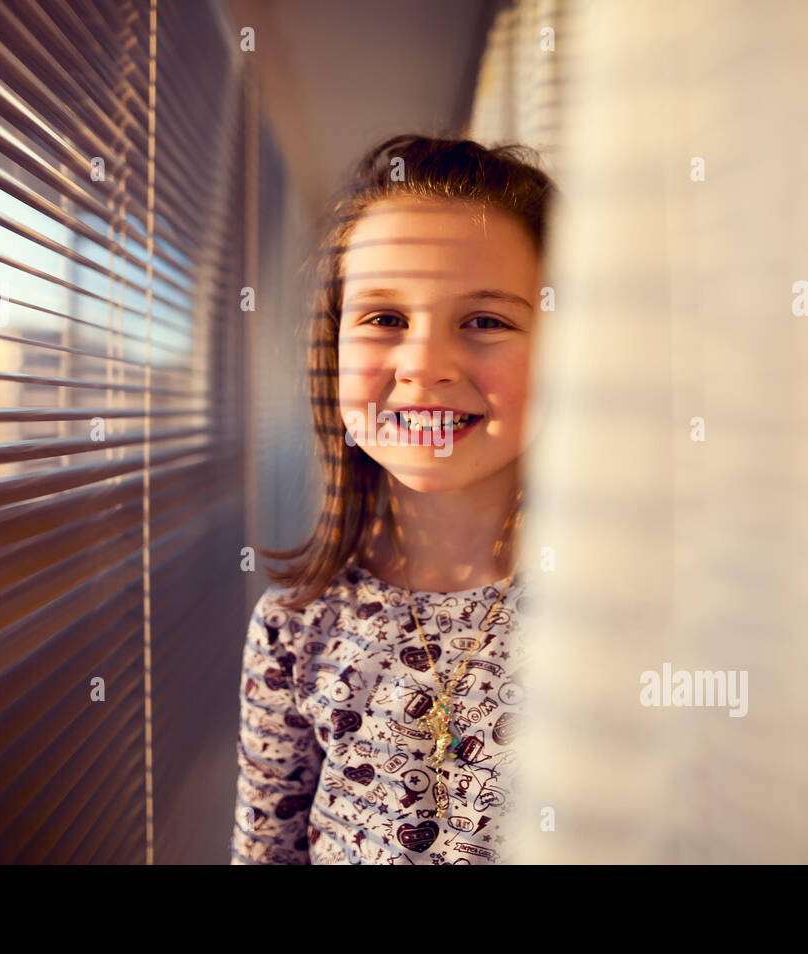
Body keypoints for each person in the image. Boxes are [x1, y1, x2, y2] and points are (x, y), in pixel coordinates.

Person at [230, 133, 556, 864]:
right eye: (384, 319)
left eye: (486, 321)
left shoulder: (621, 621)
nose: (425, 365)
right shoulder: (295, 628)